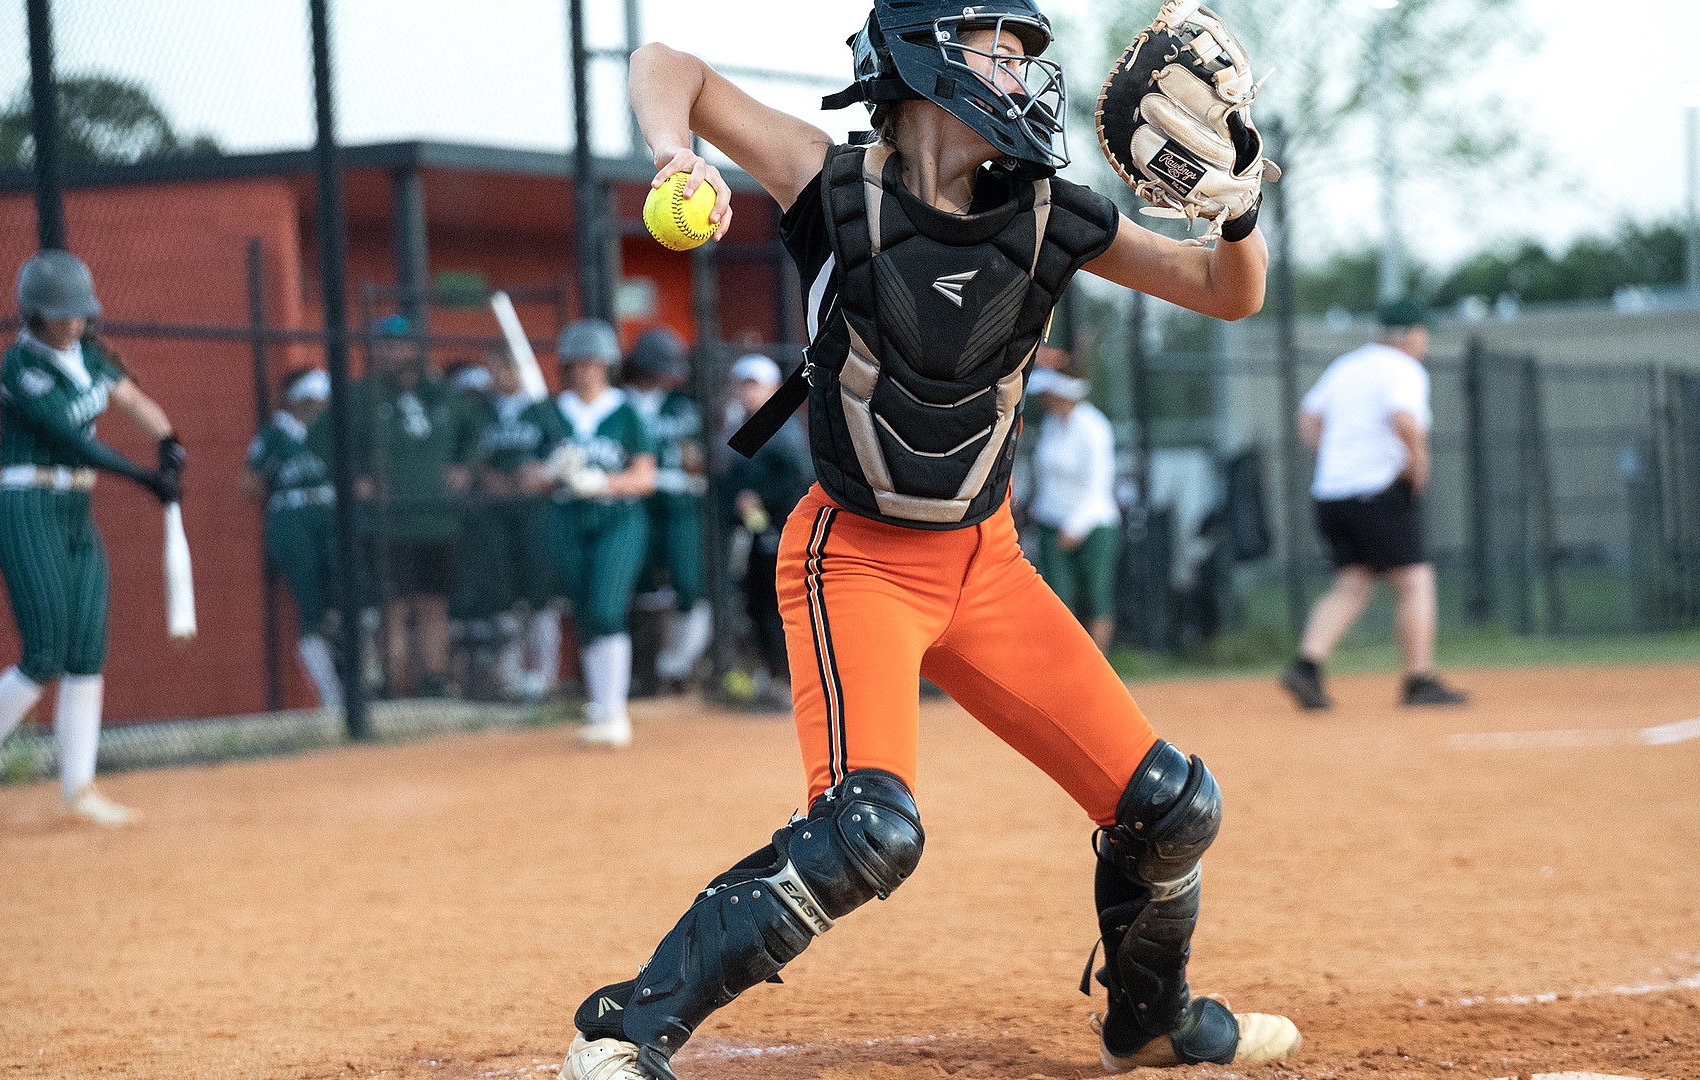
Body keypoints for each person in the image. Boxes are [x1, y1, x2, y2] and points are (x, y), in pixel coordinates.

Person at [556, 3, 1300, 1078]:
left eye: (1023, 49)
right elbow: (665, 60)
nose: (1017, 67)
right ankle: (623, 1036)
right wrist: (679, 154)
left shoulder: (1051, 213)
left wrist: (1236, 207)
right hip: (853, 558)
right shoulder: (832, 180)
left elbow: (1225, 295)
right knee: (869, 832)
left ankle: (1150, 1018)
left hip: (984, 565)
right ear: (914, 57)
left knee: (1172, 809)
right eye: (991, 42)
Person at [0, 250, 183, 833]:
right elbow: (75, 442)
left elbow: (132, 399)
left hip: (75, 510)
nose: (70, 323)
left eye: (78, 314)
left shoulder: (90, 355)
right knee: (42, 653)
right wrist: (142, 477)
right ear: (33, 313)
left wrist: (169, 441)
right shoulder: (21, 366)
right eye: (58, 315)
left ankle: (79, 788)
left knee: (87, 651)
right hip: (25, 507)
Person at [1280, 297, 1469, 710]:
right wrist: (1419, 465)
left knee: (1352, 584)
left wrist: (1335, 456)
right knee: (1415, 582)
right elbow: (1403, 419)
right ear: (1409, 335)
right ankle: (1419, 679)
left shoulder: (1348, 365)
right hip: (1378, 491)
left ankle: (1307, 666)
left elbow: (1308, 418)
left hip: (1331, 493)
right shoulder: (1403, 369)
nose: (1424, 343)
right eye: (1423, 334)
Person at [542, 319, 657, 747]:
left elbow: (644, 476)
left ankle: (615, 712)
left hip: (618, 519)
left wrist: (602, 483)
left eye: (593, 363)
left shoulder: (625, 411)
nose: (584, 371)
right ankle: (599, 704)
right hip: (568, 519)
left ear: (606, 365)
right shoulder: (553, 411)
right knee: (586, 611)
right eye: (576, 364)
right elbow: (526, 475)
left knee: (608, 608)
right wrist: (553, 472)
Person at [355, 314, 473, 698]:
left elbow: (476, 431)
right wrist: (357, 478)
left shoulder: (442, 394)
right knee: (393, 604)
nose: (393, 351)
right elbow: (328, 442)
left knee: (433, 602)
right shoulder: (361, 395)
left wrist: (465, 468)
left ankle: (434, 681)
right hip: (388, 523)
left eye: (401, 344)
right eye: (385, 344)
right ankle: (391, 684)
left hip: (437, 519)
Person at [460, 350, 564, 701]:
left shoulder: (544, 409)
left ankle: (545, 676)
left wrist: (542, 475)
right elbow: (466, 461)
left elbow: (566, 456)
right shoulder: (479, 412)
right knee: (503, 595)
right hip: (492, 515)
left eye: (511, 365)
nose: (504, 373)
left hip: (538, 511)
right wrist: (489, 478)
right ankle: (511, 675)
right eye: (498, 365)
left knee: (540, 594)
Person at [243, 367, 343, 708]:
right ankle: (331, 696)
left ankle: (360, 684)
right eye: (314, 397)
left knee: (349, 599)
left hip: (330, 516)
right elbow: (250, 484)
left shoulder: (329, 432)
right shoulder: (274, 435)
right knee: (310, 607)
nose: (321, 404)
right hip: (292, 517)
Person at [718, 353, 814, 708]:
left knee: (779, 605)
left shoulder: (782, 427)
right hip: (754, 534)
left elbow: (797, 478)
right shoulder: (742, 428)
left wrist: (759, 499)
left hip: (782, 530)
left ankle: (790, 683)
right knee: (758, 603)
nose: (747, 392)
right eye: (742, 384)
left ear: (774, 389)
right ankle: (776, 680)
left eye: (755, 385)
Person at [622, 327, 712, 690]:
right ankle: (643, 671)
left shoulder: (683, 405)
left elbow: (704, 457)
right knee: (638, 586)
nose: (669, 374)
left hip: (681, 505)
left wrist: (698, 459)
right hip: (634, 504)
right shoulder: (619, 403)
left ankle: (677, 667)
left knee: (689, 586)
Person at [1025, 364, 1121, 651]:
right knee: (1056, 597)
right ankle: (1062, 663)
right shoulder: (1050, 425)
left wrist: (1075, 525)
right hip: (1051, 521)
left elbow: (1098, 484)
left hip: (1094, 525)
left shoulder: (1094, 427)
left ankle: (1097, 665)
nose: (1043, 400)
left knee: (1096, 594)